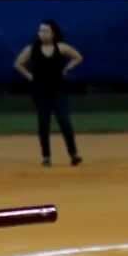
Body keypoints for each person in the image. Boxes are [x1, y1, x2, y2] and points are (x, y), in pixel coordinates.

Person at [14, 19, 83, 168]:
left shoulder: (61, 47)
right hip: (41, 92)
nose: (42, 33)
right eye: (40, 30)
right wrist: (30, 76)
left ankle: (74, 155)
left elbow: (78, 57)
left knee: (65, 122)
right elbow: (18, 63)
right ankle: (46, 157)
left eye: (45, 31)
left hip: (58, 91)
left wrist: (67, 68)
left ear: (53, 33)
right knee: (43, 125)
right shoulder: (32, 49)